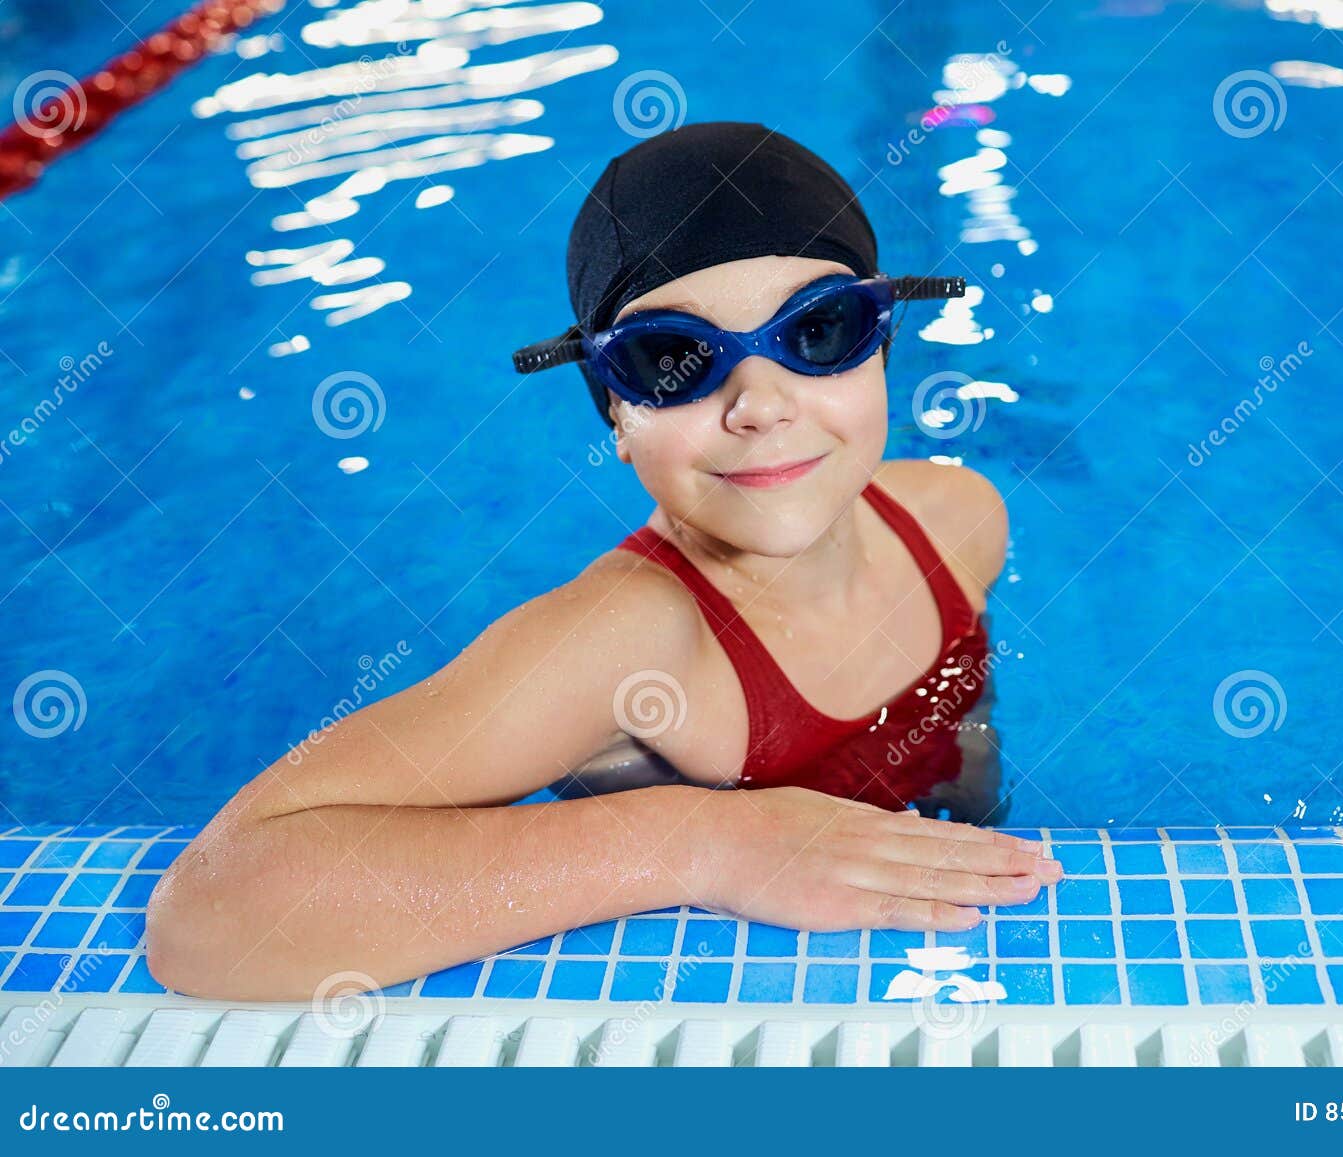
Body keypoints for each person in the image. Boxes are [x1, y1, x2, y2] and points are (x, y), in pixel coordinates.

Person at [147, 122, 1062, 1001]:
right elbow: (212, 909)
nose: (761, 405)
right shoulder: (624, 645)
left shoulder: (957, 519)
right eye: (674, 361)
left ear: (884, 342)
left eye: (818, 332)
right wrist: (705, 842)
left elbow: (966, 725)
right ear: (617, 419)